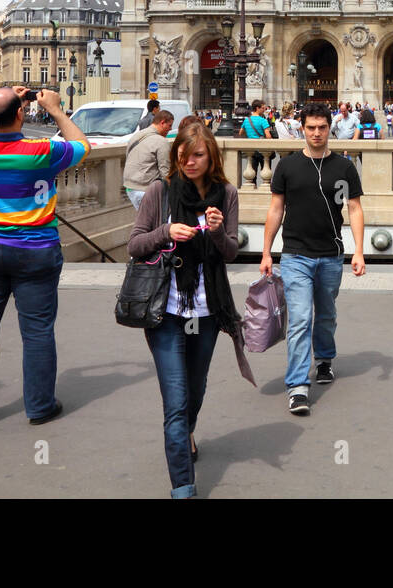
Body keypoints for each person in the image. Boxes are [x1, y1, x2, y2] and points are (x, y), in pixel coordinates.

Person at [0, 87, 88, 430]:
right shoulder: (40, 151)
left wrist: (4, 105)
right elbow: (82, 146)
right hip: (34, 252)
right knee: (37, 331)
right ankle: (40, 406)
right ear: (21, 114)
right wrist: (56, 110)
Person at [128, 120, 240, 498]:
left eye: (197, 155)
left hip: (207, 312)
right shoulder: (159, 192)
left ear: (211, 158)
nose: (189, 162)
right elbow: (135, 245)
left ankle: (187, 432)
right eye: (183, 154)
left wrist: (220, 230)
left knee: (195, 389)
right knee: (175, 403)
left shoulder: (226, 194)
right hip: (166, 311)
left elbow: (229, 252)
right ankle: (183, 487)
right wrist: (166, 232)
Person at [259, 103, 366, 415]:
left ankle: (325, 358)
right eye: (311, 128)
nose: (316, 133)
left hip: (331, 254)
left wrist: (358, 250)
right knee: (302, 318)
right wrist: (266, 252)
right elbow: (275, 209)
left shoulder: (344, 168)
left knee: (326, 315)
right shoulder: (287, 166)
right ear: (302, 129)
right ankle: (297, 387)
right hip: (295, 254)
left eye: (322, 127)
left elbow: (355, 209)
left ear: (329, 128)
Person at [123, 110, 173, 211]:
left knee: (144, 221)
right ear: (162, 123)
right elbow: (165, 171)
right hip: (146, 188)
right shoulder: (161, 142)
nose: (170, 129)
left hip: (130, 188)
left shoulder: (137, 135)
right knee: (156, 223)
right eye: (169, 125)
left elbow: (128, 155)